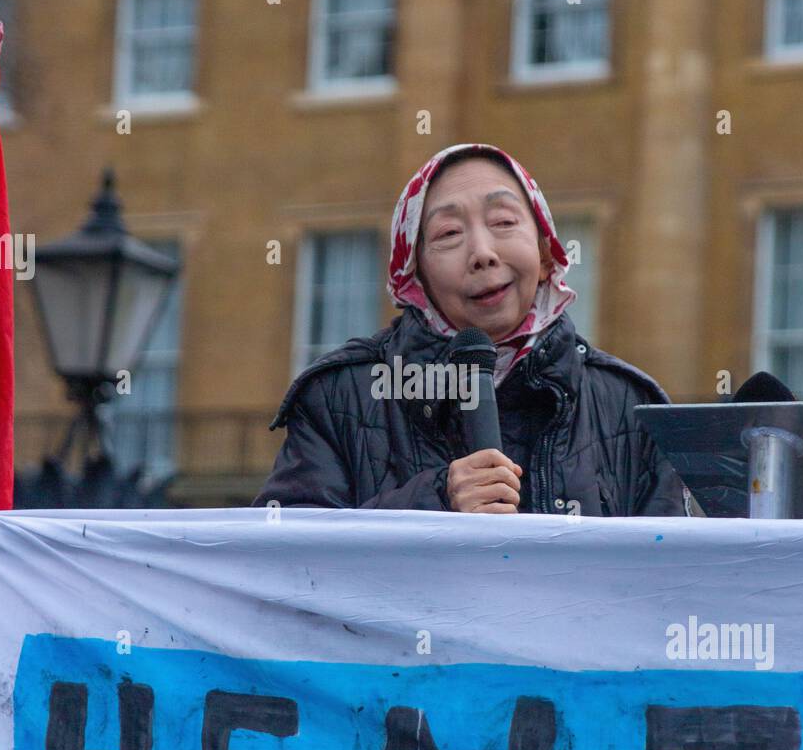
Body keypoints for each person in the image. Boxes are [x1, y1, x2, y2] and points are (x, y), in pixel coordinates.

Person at [252, 142, 693, 516]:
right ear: (415, 275)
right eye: (448, 233)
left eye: (503, 223)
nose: (482, 253)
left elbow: (670, 584)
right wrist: (436, 499)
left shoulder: (630, 407)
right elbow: (283, 568)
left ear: (545, 255)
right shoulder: (337, 397)